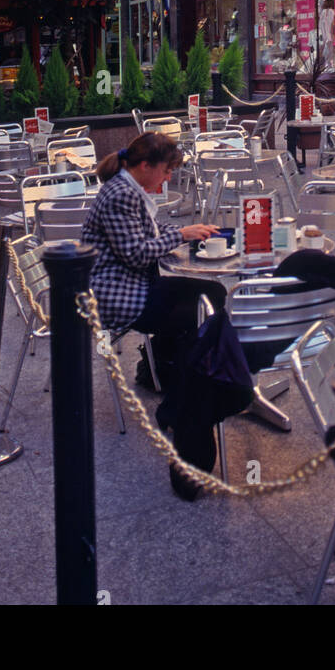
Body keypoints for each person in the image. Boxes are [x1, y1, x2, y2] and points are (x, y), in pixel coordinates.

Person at [82, 133, 234, 500]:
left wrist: (187, 232)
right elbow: (136, 253)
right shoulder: (120, 195)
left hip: (132, 287)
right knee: (198, 316)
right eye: (165, 172)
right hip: (118, 298)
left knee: (209, 297)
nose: (167, 180)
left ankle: (169, 381)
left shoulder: (128, 187)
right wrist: (181, 234)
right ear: (145, 165)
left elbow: (148, 233)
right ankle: (183, 398)